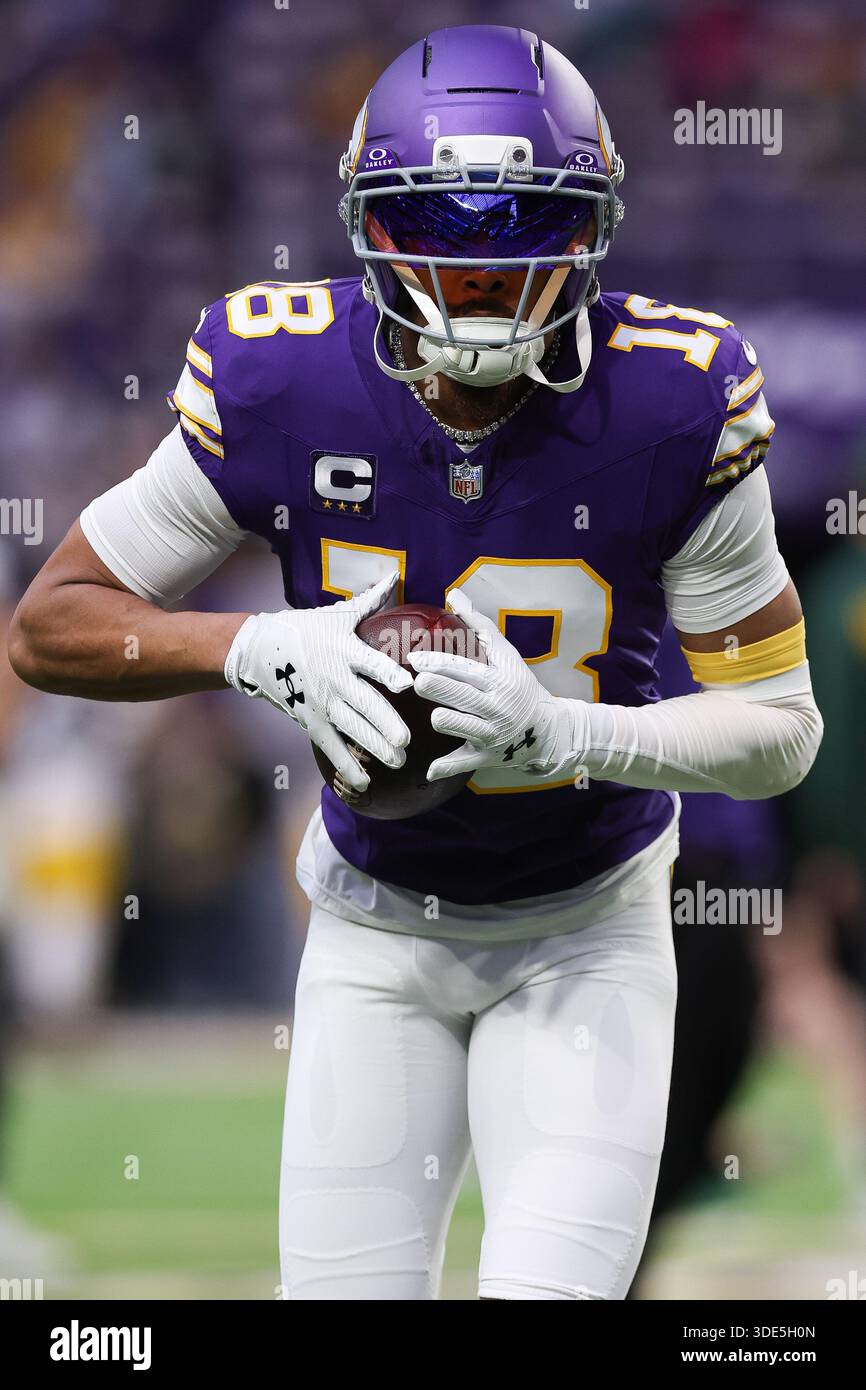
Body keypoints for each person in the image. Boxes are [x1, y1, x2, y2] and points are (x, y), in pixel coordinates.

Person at [8, 25, 823, 1300]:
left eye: (522, 243)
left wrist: (574, 734)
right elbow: (51, 622)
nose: (483, 286)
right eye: (445, 241)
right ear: (370, 231)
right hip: (372, 933)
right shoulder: (278, 374)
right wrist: (258, 647)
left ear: (592, 229)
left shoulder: (675, 394)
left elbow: (777, 728)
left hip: (588, 932)